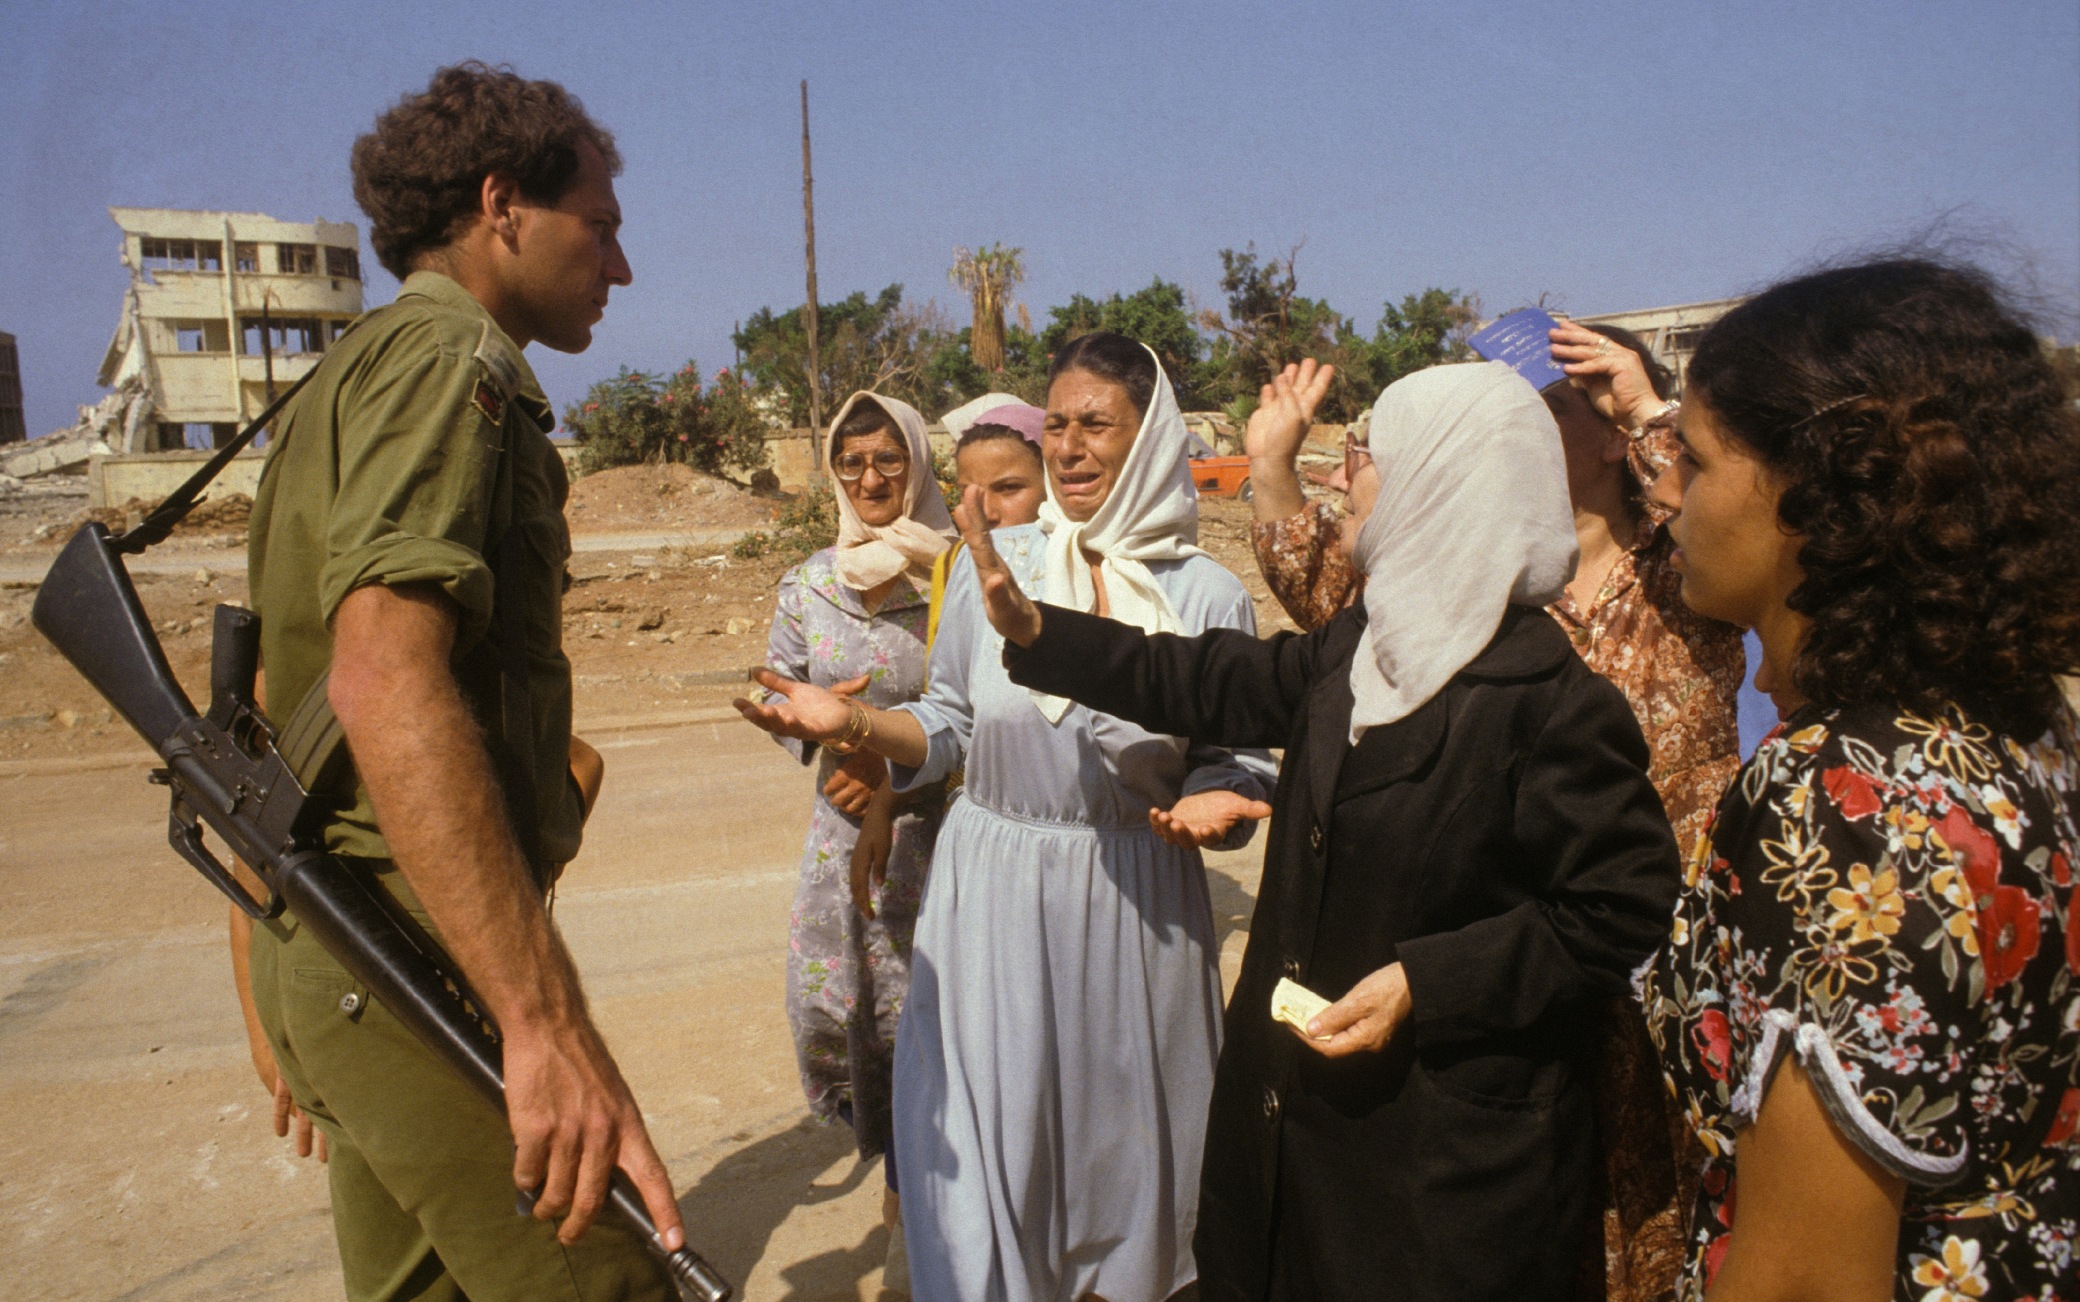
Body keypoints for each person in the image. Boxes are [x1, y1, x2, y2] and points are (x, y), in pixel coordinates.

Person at [962, 360, 1682, 1301]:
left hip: (1438, 1172)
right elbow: (1212, 678)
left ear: (1443, 479)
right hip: (1294, 1125)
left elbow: (1616, 907)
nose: (1342, 480)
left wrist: (1427, 982)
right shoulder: (1363, 643)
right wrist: (1037, 633)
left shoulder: (1549, 702)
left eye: (1366, 458)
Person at [230, 63, 683, 1299]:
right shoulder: (452, 367)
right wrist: (544, 1029)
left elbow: (265, 703)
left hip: (339, 946)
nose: (619, 267)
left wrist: (269, 959)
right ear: (502, 204)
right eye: (600, 228)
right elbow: (381, 678)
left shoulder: (351, 371)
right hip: (407, 961)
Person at [735, 332, 1276, 1302]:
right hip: (986, 903)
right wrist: (853, 721)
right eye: (1056, 423)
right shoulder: (993, 567)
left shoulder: (1207, 595)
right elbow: (945, 725)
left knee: (1125, 1165)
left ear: (1149, 436)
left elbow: (1236, 755)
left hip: (1133, 913)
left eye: (1095, 425)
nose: (1068, 447)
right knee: (990, 1164)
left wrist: (1215, 802)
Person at [1248, 336, 1743, 1298]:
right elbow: (1321, 596)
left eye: (1559, 402)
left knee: (1656, 1210)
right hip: (1518, 974)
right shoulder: (1466, 583)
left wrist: (1645, 407)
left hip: (1654, 971)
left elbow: (1734, 495)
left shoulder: (1685, 576)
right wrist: (1270, 464)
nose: (1524, 415)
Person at [1638, 258, 2080, 1300]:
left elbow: (1805, 1280)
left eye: (1695, 465)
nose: (1669, 506)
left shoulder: (1836, 799)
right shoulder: (2006, 726)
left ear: (1813, 491)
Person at [762, 390, 953, 1251]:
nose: (871, 478)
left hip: (940, 828)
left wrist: (890, 761)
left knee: (940, 1012)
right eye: (853, 463)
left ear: (918, 463)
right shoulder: (808, 584)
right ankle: (898, 1171)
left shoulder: (956, 576)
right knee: (855, 1012)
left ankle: (929, 1188)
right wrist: (818, 741)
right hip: (845, 834)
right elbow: (779, 689)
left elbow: (990, 709)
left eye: (889, 459)